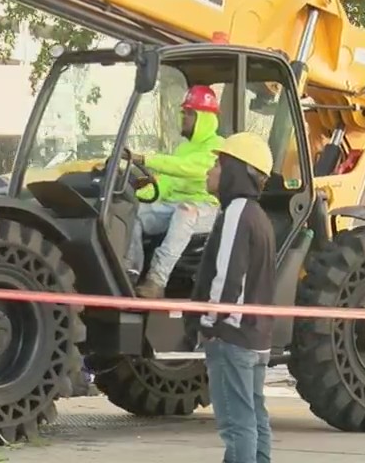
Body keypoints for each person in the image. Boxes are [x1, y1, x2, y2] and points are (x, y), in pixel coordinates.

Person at [188, 131, 276, 463]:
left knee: (236, 425)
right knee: (254, 417)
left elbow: (227, 276)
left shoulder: (237, 212)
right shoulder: (259, 216)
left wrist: (209, 323)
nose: (210, 171)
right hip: (255, 337)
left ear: (236, 170)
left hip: (232, 336)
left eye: (218, 164)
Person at [124, 84, 225, 298]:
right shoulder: (182, 149)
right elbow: (168, 182)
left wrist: (145, 159)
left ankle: (156, 281)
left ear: (205, 119)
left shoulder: (219, 147)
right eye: (183, 112)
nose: (183, 117)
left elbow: (188, 168)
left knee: (185, 211)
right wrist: (133, 196)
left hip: (206, 209)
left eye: (190, 113)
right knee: (132, 212)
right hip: (174, 205)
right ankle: (129, 272)